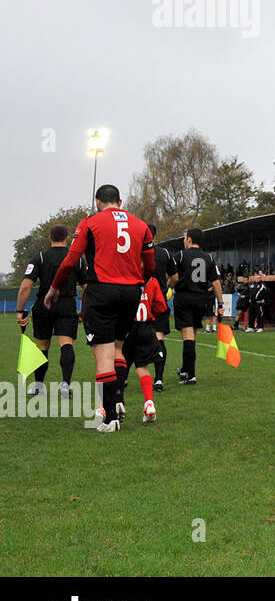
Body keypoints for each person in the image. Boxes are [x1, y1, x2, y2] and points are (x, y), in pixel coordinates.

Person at [44, 185, 156, 433]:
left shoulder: (89, 222)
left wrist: (54, 287)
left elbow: (70, 260)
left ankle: (109, 419)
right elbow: (150, 265)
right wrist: (140, 281)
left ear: (97, 202)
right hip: (131, 292)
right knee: (117, 347)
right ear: (120, 200)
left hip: (102, 291)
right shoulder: (141, 225)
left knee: (103, 354)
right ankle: (117, 402)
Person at [16, 225, 81, 397]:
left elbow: (25, 287)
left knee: (41, 346)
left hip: (43, 306)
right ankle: (65, 386)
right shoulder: (76, 258)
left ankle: (38, 386)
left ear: (50, 238)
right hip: (67, 304)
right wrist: (84, 311)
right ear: (67, 237)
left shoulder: (40, 258)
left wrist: (19, 310)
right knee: (66, 344)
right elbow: (87, 287)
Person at [170, 228, 223, 385]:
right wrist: (220, 303)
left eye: (185, 238)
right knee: (191, 333)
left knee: (187, 336)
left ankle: (190, 375)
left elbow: (174, 278)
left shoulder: (180, 255)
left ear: (189, 240)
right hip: (201, 299)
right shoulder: (208, 257)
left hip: (184, 297)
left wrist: (170, 285)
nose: (184, 240)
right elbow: (216, 282)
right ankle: (186, 368)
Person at [121, 274, 169, 423]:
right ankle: (149, 404)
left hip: (128, 327)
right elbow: (161, 306)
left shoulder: (124, 276)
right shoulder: (152, 280)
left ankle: (117, 403)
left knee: (120, 365)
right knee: (142, 367)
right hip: (146, 327)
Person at [147, 226, 175, 389]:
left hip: (140, 299)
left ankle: (124, 377)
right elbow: (175, 277)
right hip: (159, 300)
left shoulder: (135, 251)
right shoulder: (164, 253)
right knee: (159, 338)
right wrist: (165, 287)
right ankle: (158, 378)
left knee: (131, 337)